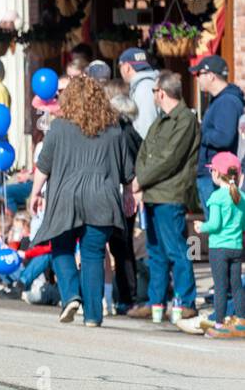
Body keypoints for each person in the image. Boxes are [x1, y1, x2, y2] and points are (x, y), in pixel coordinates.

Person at [29, 76, 134, 327]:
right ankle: (93, 316)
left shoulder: (59, 127)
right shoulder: (114, 128)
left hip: (66, 197)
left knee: (62, 248)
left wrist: (34, 193)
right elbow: (127, 170)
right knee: (93, 255)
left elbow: (43, 166)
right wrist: (129, 194)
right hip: (102, 198)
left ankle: (71, 295)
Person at [127, 70, 201, 324]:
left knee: (176, 250)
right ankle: (155, 301)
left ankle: (186, 301)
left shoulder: (184, 120)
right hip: (152, 194)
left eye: (154, 92)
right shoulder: (161, 120)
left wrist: (140, 180)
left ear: (162, 92)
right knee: (155, 251)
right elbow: (146, 151)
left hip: (171, 194)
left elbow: (169, 159)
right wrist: (139, 181)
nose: (154, 97)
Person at [194, 152, 245, 338]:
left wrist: (201, 227)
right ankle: (241, 322)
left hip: (219, 248)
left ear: (216, 173)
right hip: (237, 247)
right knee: (236, 285)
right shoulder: (242, 197)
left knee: (221, 287)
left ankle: (219, 323)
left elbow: (215, 224)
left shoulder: (217, 197)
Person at [101, 82, 141, 316]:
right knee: (121, 247)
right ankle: (125, 295)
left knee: (121, 247)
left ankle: (127, 296)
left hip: (122, 194)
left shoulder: (123, 134)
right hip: (124, 194)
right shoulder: (130, 132)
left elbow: (127, 167)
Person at [189, 55, 244, 214]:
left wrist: (201, 132)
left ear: (211, 76)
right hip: (213, 174)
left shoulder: (226, 102)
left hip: (217, 176)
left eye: (199, 74)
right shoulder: (220, 100)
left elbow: (224, 138)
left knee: (219, 231)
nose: (197, 79)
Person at [118, 48, 158, 138]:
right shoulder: (148, 84)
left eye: (119, 66)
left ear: (126, 68)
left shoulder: (144, 89)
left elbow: (147, 131)